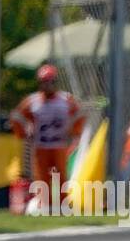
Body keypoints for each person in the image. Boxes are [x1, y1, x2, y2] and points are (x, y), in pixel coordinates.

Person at [10, 63, 84, 209]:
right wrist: (25, 129)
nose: (47, 85)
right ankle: (44, 205)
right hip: (41, 145)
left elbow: (80, 114)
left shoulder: (65, 99)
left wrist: (73, 130)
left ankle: (62, 204)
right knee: (41, 177)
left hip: (59, 144)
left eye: (49, 82)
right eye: (44, 82)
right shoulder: (33, 101)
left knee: (60, 176)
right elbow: (16, 116)